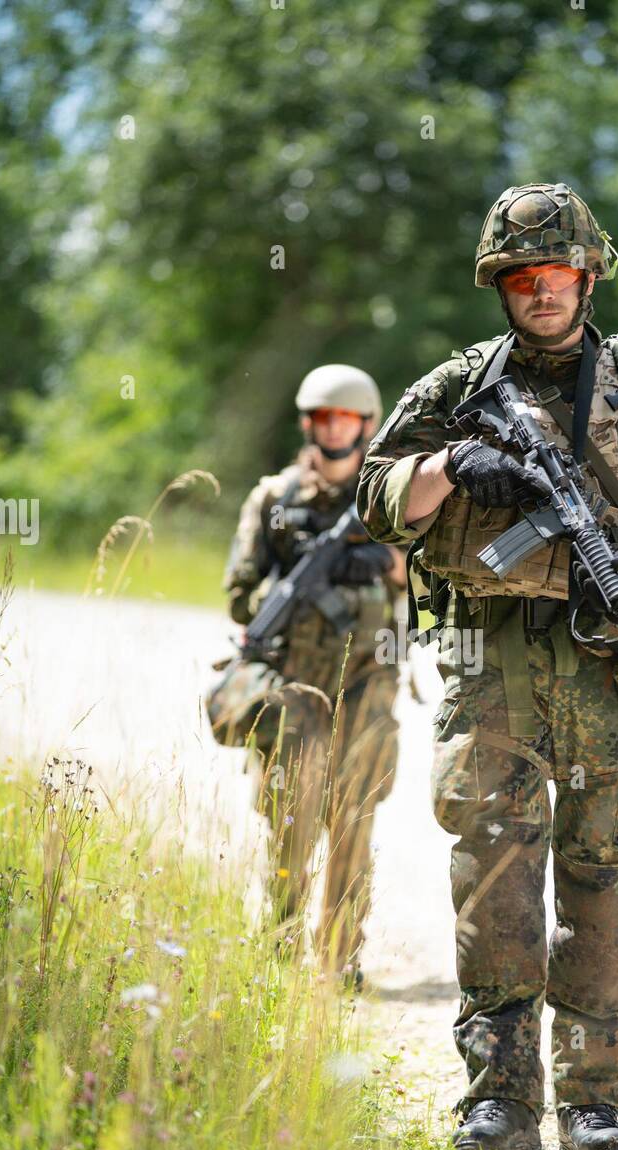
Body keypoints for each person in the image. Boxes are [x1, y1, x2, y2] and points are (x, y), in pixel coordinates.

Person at [357, 183, 618, 1150]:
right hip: (492, 660)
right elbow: (375, 492)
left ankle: (592, 1102)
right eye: (523, 277)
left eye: (559, 275)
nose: (542, 292)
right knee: (491, 869)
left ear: (586, 277)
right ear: (502, 283)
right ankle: (495, 1102)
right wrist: (450, 464)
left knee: (602, 877)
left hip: (610, 664)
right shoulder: (458, 383)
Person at [207, 364, 406, 983]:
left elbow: (435, 583)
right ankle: (280, 948)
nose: (333, 430)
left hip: (368, 682)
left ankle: (340, 964)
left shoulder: (390, 498)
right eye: (323, 419)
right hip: (293, 692)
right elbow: (239, 594)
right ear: (308, 424)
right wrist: (289, 585)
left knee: (353, 821)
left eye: (345, 420)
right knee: (289, 819)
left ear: (366, 426)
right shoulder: (274, 499)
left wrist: (382, 563)